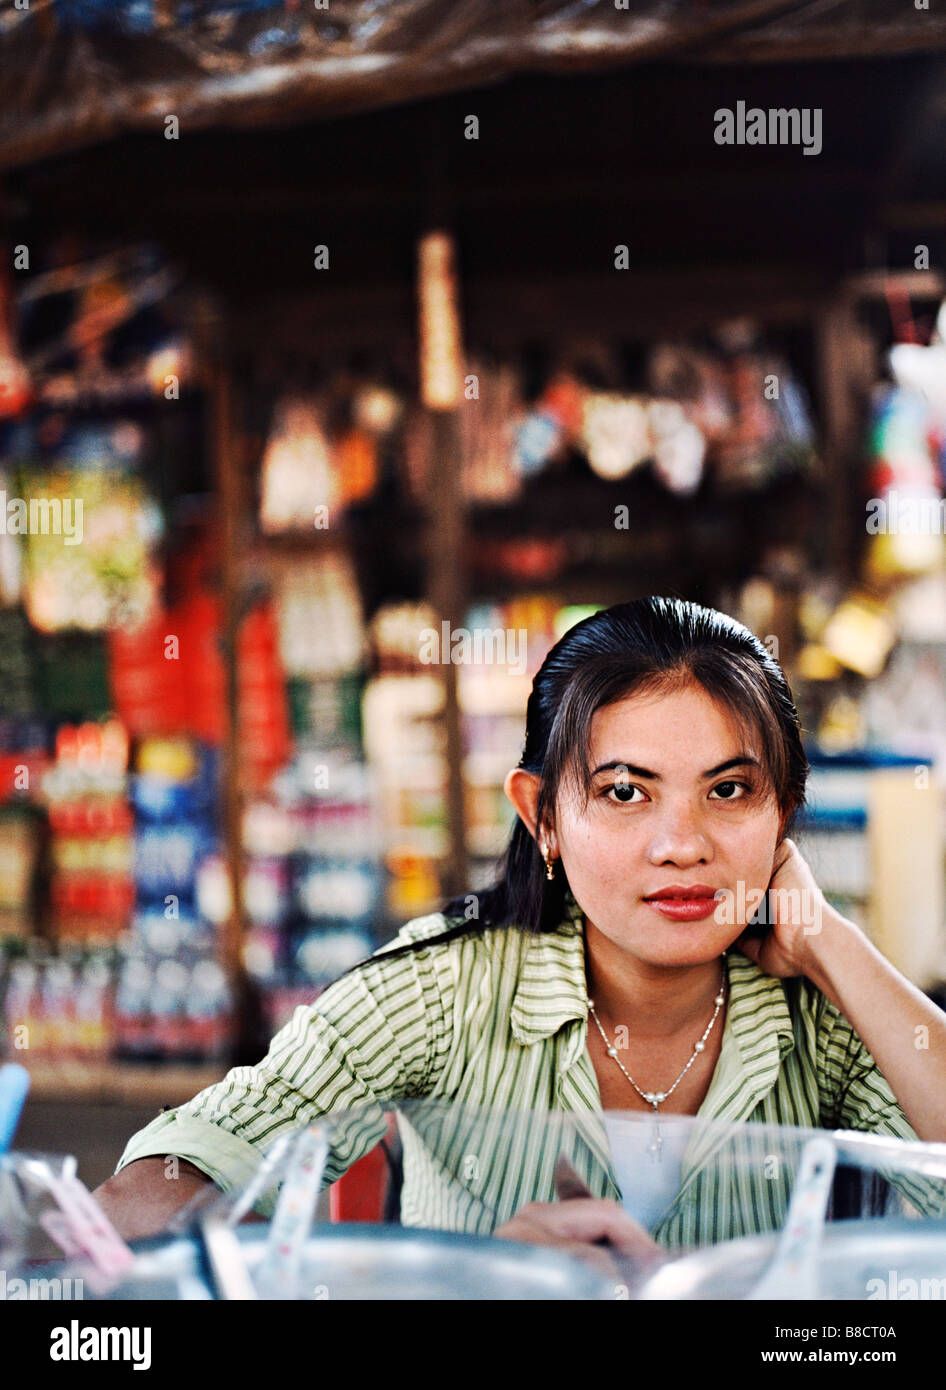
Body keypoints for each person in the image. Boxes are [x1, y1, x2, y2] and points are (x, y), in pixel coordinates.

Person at [93, 596, 946, 1264]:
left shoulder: (828, 1017)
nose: (682, 844)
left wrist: (828, 939)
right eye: (623, 792)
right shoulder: (441, 990)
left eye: (729, 792)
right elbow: (188, 1162)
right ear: (542, 816)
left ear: (783, 815)